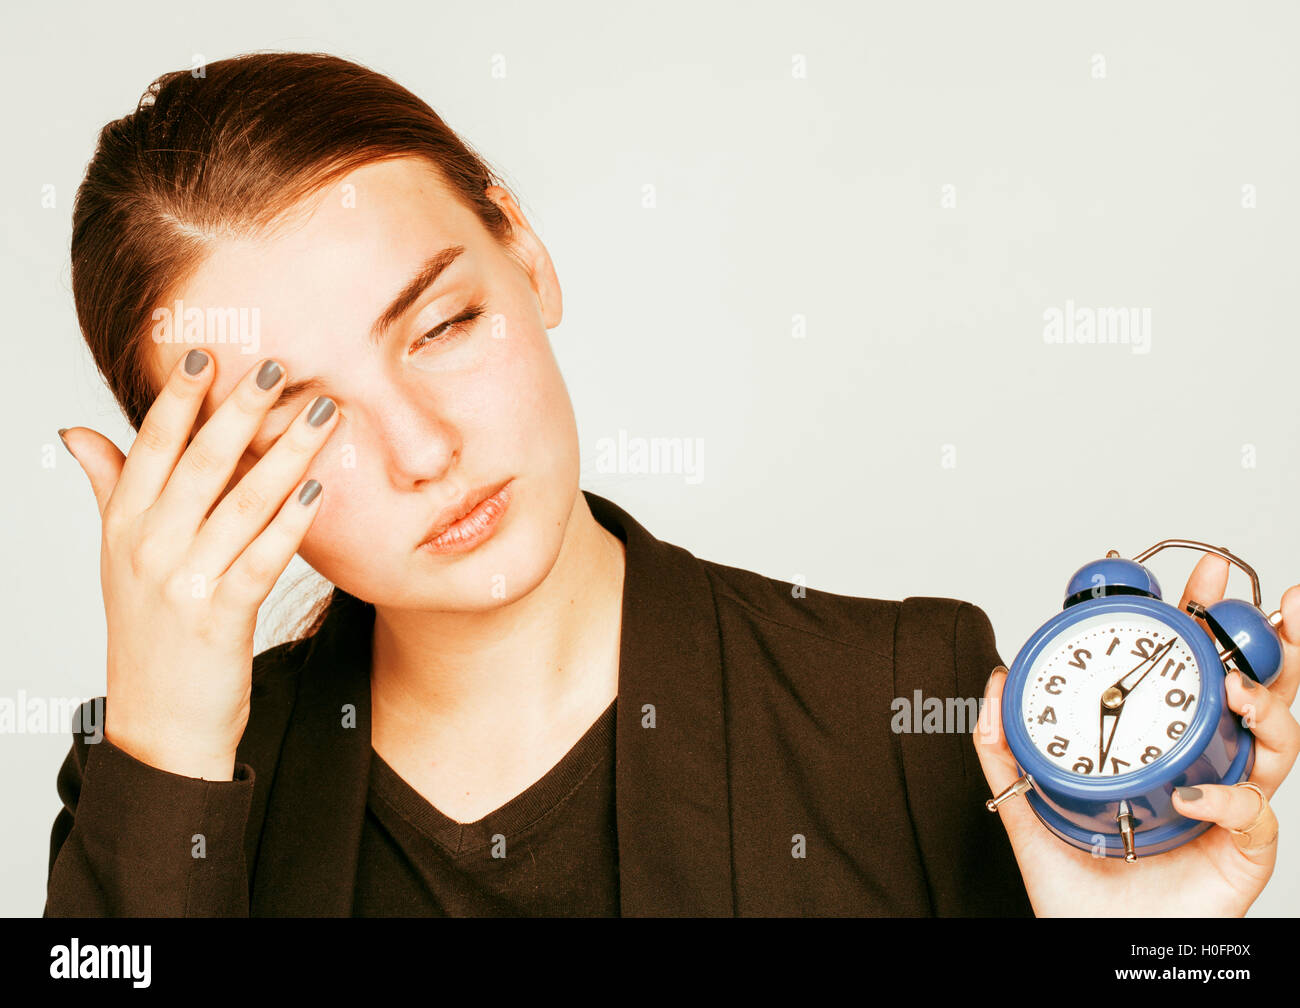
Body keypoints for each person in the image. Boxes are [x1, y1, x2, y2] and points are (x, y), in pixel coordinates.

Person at [46, 52, 1299, 917]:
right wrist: (163, 758)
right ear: (188, 481)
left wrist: (1151, 948)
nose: (423, 449)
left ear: (523, 255)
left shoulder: (909, 708)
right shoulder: (152, 787)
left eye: (440, 326)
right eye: (299, 422)